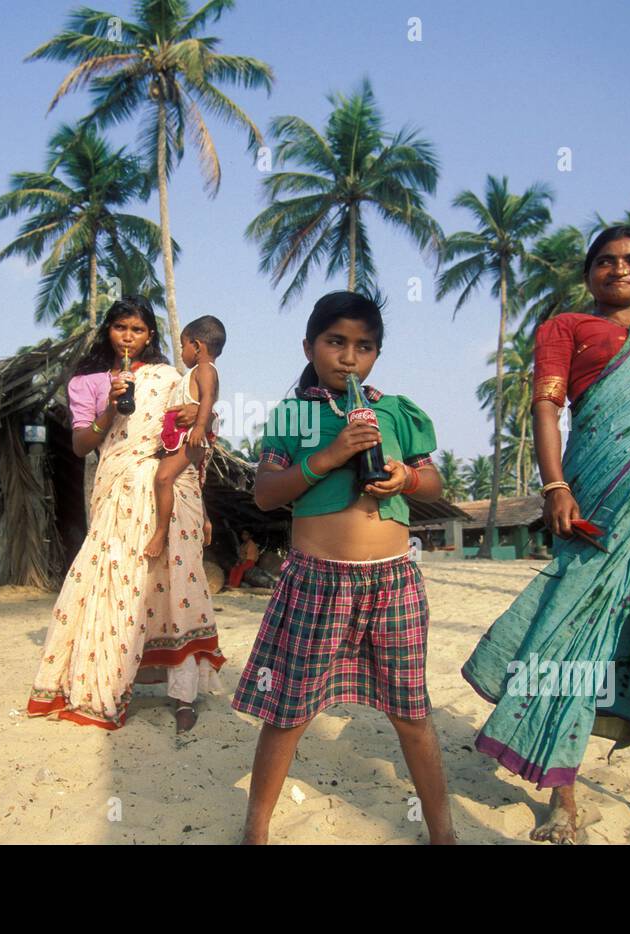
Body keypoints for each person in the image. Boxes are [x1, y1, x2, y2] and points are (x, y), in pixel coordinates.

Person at [460, 226, 630, 845]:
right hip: (600, 494)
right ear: (589, 275)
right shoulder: (565, 329)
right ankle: (564, 802)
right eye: (606, 261)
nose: (620, 269)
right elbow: (546, 409)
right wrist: (554, 487)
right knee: (572, 633)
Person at [231, 291, 456, 845]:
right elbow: (264, 493)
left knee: (410, 712)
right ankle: (256, 829)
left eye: (365, 346)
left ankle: (444, 833)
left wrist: (403, 477)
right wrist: (329, 457)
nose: (349, 358)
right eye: (336, 343)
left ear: (377, 353)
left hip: (392, 580)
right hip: (317, 580)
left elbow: (434, 483)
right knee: (289, 709)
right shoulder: (293, 415)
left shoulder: (396, 411)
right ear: (309, 346)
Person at [27, 298, 224, 733]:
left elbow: (194, 440)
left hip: (174, 493)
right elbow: (81, 446)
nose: (128, 336)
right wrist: (112, 407)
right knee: (116, 581)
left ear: (150, 335)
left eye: (137, 329)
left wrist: (200, 419)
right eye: (120, 328)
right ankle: (107, 684)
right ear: (109, 332)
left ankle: (184, 693)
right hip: (118, 489)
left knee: (178, 586)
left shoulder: (172, 376)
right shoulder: (88, 382)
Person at [144, 315, 224, 559]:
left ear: (197, 346)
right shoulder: (193, 374)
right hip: (182, 437)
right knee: (189, 484)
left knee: (164, 477)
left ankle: (160, 532)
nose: (181, 351)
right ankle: (204, 521)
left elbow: (208, 398)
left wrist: (200, 426)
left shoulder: (205, 370)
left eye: (183, 345)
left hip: (192, 437)